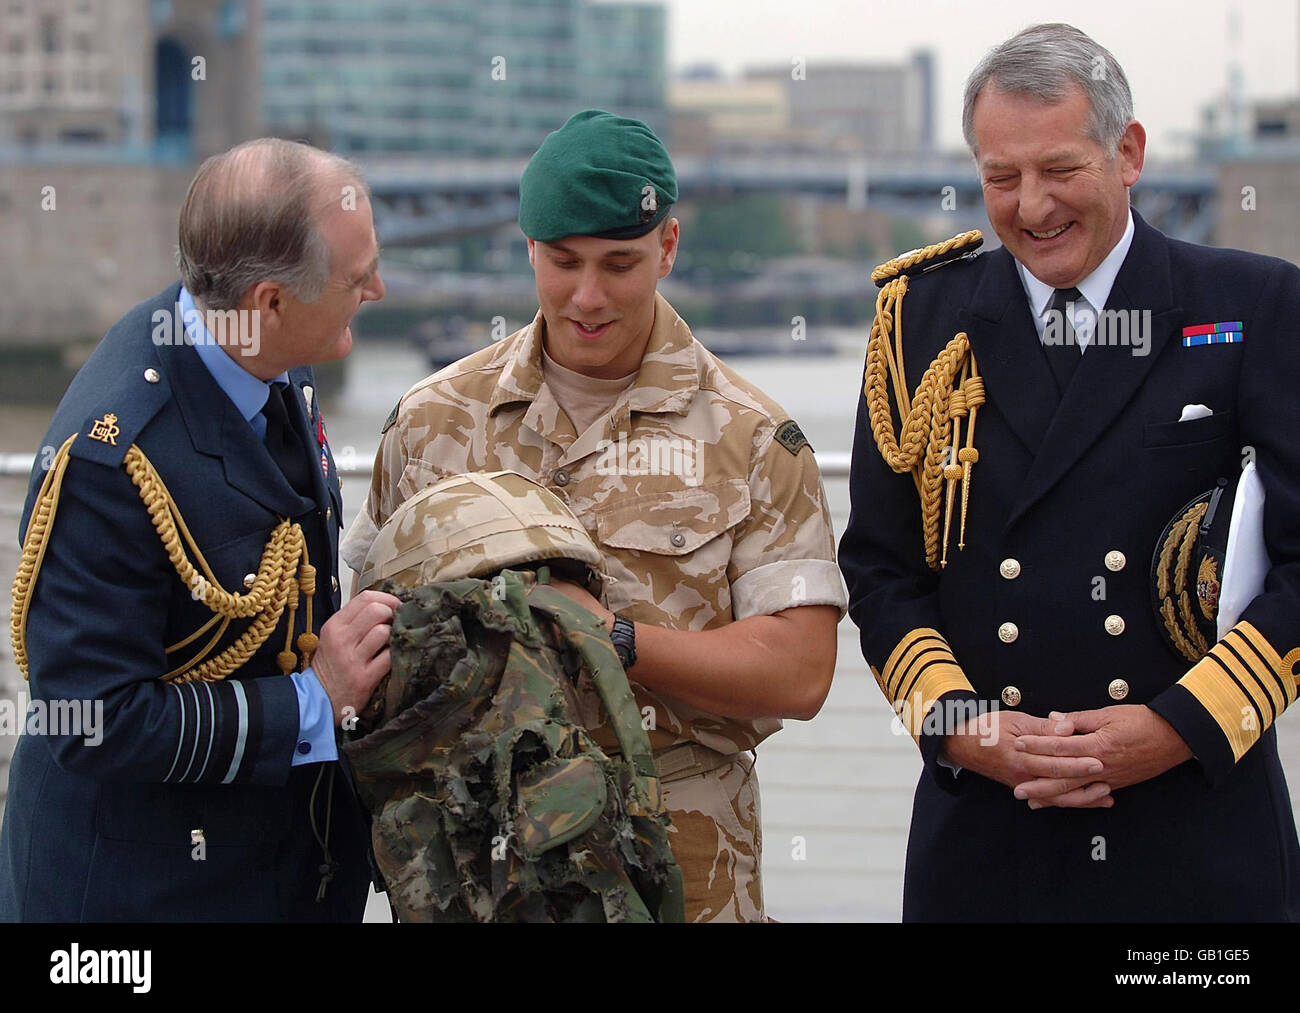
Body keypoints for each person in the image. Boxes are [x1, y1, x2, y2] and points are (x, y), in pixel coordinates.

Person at [840, 22, 1300, 921]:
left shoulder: (1252, 305)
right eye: (1000, 178)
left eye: (1059, 170)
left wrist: (1176, 727)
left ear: (1127, 153)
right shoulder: (920, 323)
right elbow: (881, 571)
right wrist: (960, 726)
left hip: (1197, 829)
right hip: (988, 834)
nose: (1031, 206)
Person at [341, 110, 845, 922]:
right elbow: (367, 624)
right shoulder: (433, 419)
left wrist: (614, 640)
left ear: (669, 248)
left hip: (683, 860)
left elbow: (800, 670)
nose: (588, 296)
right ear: (528, 248)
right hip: (477, 857)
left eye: (620, 264)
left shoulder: (753, 437)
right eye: (563, 261)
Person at [0, 138, 399, 921]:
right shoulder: (113, 462)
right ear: (269, 302)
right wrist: (312, 700)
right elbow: (93, 721)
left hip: (284, 865)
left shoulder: (262, 347)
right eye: (357, 280)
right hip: (145, 893)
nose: (379, 289)